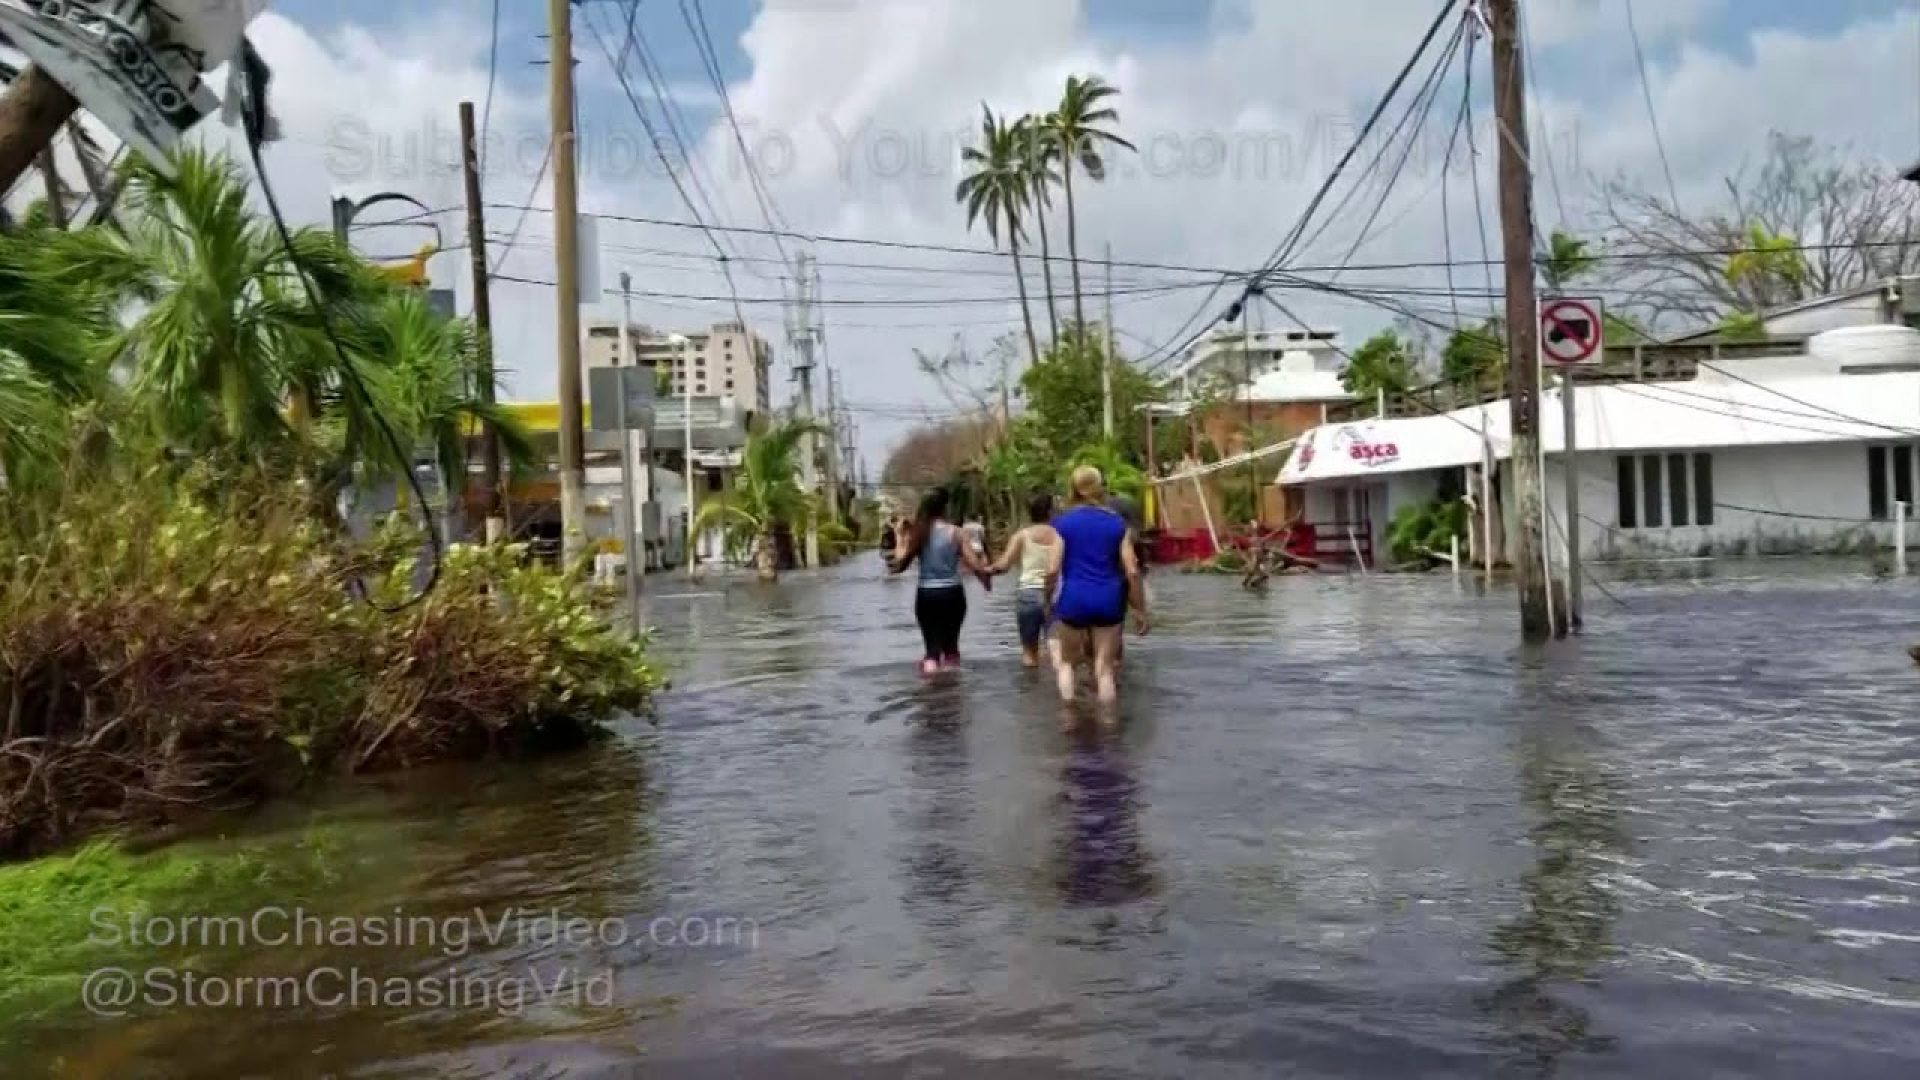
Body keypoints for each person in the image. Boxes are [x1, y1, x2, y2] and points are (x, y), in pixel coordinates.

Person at [1048, 466, 1149, 704]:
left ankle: (1068, 718)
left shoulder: (1063, 523)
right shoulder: (1117, 524)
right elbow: (1132, 570)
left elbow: (1052, 568)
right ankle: (1109, 725)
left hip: (1074, 598)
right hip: (1109, 600)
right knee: (1104, 669)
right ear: (1100, 487)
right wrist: (1140, 610)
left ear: (1073, 489)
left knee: (1066, 664)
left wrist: (1046, 599)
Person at [891, 489, 991, 674]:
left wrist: (899, 536)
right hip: (953, 594)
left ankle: (932, 688)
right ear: (945, 508)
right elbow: (974, 564)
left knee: (931, 650)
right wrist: (986, 579)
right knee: (951, 647)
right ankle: (953, 689)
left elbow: (899, 564)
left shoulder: (918, 533)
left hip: (926, 595)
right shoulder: (957, 533)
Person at [990, 491, 1060, 669]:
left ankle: (1028, 692)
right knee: (1057, 651)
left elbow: (1004, 565)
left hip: (1028, 593)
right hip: (1056, 594)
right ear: (1051, 511)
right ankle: (1059, 690)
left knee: (1029, 652)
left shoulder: (1022, 536)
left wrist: (985, 570)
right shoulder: (1060, 535)